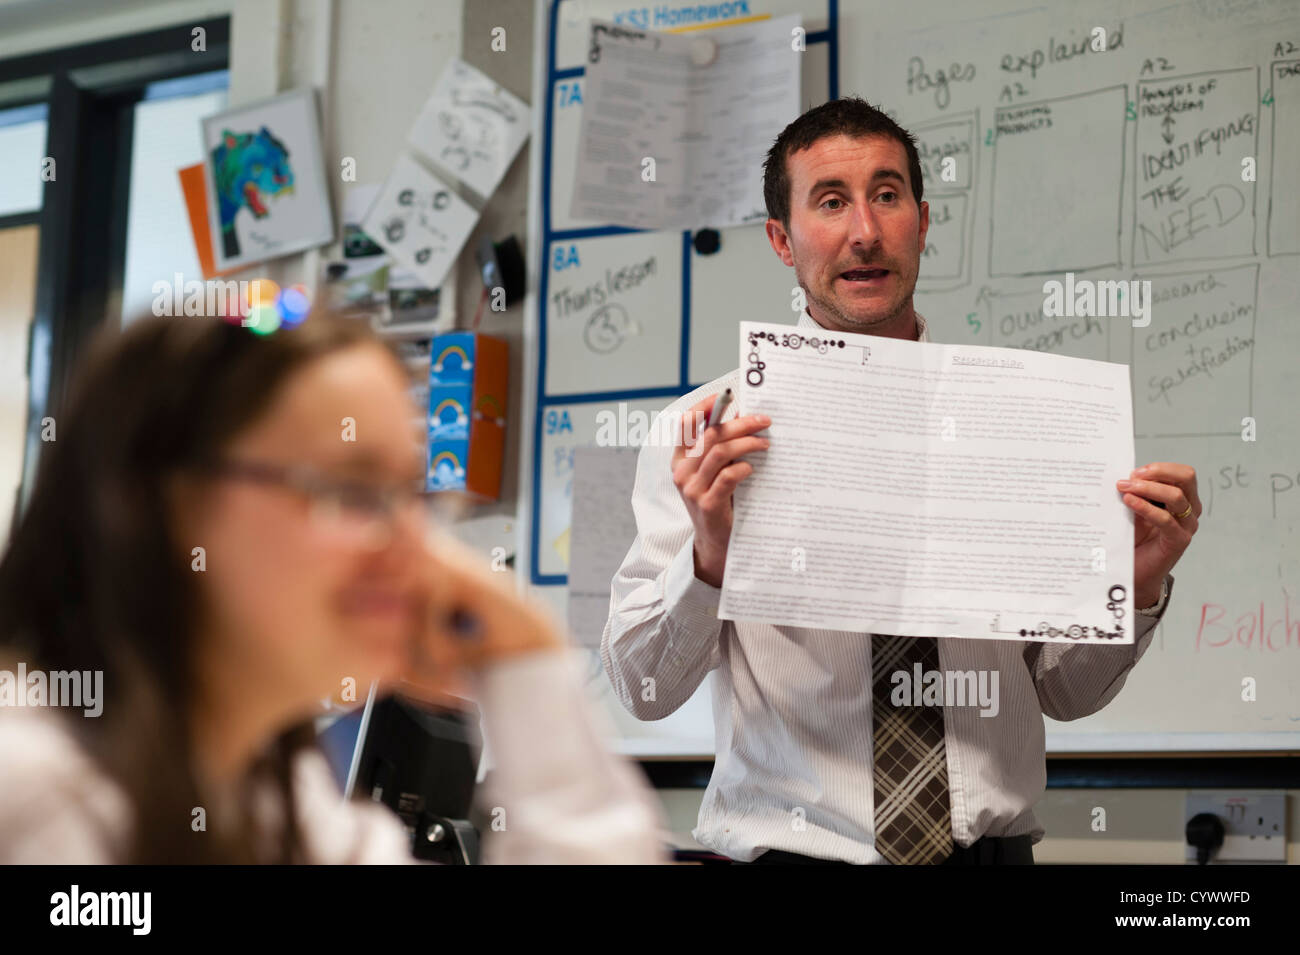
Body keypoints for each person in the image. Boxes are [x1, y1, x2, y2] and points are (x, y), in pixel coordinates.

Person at [601, 97, 1200, 865]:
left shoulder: (1021, 422)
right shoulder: (703, 433)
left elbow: (1064, 692)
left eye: (886, 196)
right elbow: (644, 690)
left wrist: (1140, 581)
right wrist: (711, 557)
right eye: (830, 202)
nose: (864, 231)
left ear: (922, 218)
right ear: (782, 241)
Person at [0, 310, 665, 864]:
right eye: (353, 491)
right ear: (169, 507)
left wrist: (526, 659)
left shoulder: (289, 807)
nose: (417, 546)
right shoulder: (32, 790)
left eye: (414, 495)